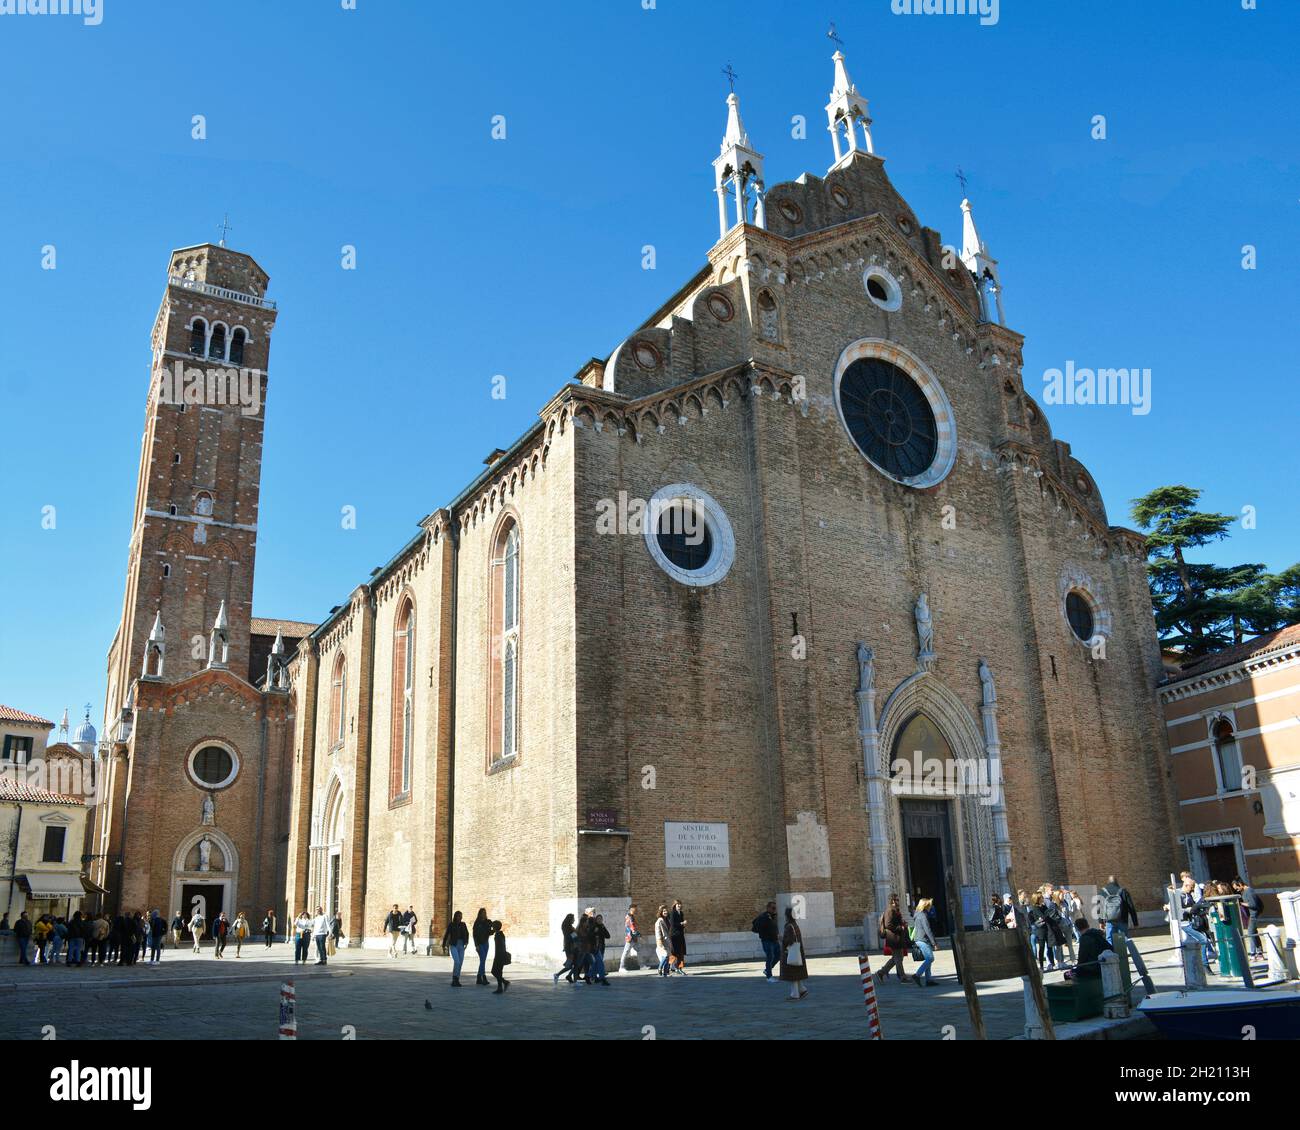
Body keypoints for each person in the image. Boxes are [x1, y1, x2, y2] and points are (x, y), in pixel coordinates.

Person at [874, 895, 912, 984]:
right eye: (896, 900)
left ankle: (881, 972)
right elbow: (888, 925)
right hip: (893, 938)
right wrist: (900, 927)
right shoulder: (890, 911)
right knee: (898, 958)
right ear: (892, 901)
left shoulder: (895, 910)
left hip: (897, 937)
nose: (897, 902)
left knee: (897, 958)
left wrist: (903, 924)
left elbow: (895, 922)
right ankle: (902, 977)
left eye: (898, 900)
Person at [1098, 875, 1139, 946]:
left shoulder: (1102, 891)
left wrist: (1101, 921)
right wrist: (1135, 922)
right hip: (1122, 919)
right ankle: (1122, 955)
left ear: (1108, 882)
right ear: (1117, 882)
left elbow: (1099, 908)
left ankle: (1112, 955)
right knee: (1122, 938)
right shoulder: (1123, 891)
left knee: (1109, 938)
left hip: (1109, 920)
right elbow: (1131, 907)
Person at [780, 906, 809, 1001]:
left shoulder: (788, 926)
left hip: (791, 953)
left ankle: (795, 994)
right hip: (797, 952)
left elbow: (790, 940)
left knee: (792, 974)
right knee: (796, 973)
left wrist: (781, 939)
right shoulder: (795, 925)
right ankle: (802, 989)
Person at [1232, 878, 1263, 959]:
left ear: (1240, 884)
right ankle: (1259, 953)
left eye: (1237, 888)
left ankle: (1253, 954)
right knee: (1254, 933)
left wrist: (1241, 903)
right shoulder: (1246, 891)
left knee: (1250, 932)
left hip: (1254, 914)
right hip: (1252, 915)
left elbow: (1253, 904)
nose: (1237, 890)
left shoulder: (1249, 891)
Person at [911, 897, 938, 987]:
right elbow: (927, 929)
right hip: (923, 940)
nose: (930, 907)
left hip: (919, 939)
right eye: (929, 905)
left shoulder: (918, 914)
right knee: (930, 958)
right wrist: (934, 943)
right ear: (925, 906)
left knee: (928, 959)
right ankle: (917, 975)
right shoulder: (922, 915)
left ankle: (928, 980)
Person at [752, 901, 782, 982]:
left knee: (779, 955)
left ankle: (767, 970)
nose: (774, 909)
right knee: (770, 957)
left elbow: (774, 927)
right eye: (773, 908)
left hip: (775, 940)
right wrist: (764, 934)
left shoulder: (773, 916)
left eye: (775, 908)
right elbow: (758, 927)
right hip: (767, 941)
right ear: (768, 908)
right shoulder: (764, 917)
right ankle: (769, 977)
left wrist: (778, 935)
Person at [442, 910, 468, 987]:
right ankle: (454, 979)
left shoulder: (463, 924)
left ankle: (457, 979)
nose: (460, 917)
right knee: (457, 962)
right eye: (458, 916)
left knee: (460, 963)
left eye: (461, 916)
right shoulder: (451, 924)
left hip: (461, 944)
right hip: (453, 944)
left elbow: (467, 933)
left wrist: (466, 942)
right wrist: (444, 945)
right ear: (455, 916)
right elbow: (447, 934)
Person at [552, 913, 578, 984]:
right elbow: (571, 938)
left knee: (575, 965)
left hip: (572, 948)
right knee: (569, 966)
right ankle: (557, 975)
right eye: (573, 919)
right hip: (570, 949)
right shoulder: (568, 928)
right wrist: (576, 935)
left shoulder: (569, 927)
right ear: (570, 919)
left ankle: (575, 981)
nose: (574, 920)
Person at [619, 904, 642, 973]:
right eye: (635, 908)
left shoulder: (631, 916)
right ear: (631, 909)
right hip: (630, 938)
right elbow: (632, 927)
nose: (636, 910)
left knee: (639, 950)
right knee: (625, 952)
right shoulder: (629, 917)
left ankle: (642, 965)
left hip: (633, 937)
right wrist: (638, 934)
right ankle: (621, 967)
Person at [472, 908, 492, 985]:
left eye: (485, 912)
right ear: (479, 914)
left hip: (486, 943)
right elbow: (474, 935)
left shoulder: (488, 922)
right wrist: (476, 945)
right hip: (479, 944)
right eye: (482, 913)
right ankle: (483, 977)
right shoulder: (477, 923)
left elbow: (490, 932)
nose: (484, 914)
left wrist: (493, 930)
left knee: (482, 961)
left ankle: (478, 978)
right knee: (483, 960)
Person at [590, 913, 611, 985]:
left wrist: (604, 927)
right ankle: (602, 978)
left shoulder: (602, 926)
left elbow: (608, 936)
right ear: (596, 920)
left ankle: (591, 976)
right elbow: (591, 936)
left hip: (602, 947)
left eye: (601, 919)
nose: (599, 920)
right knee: (600, 962)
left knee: (596, 963)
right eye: (598, 919)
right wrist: (594, 932)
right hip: (596, 948)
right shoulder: (594, 926)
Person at [669, 899, 688, 974]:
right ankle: (670, 966)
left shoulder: (681, 913)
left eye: (680, 904)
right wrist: (681, 923)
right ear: (675, 905)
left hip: (680, 935)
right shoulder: (672, 913)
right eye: (678, 904)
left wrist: (683, 925)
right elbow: (673, 924)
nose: (679, 905)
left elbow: (681, 924)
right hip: (674, 936)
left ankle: (680, 968)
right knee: (674, 952)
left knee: (681, 952)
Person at [490, 919, 510, 993]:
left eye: (493, 927)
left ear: (495, 927)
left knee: (494, 972)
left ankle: (504, 983)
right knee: (498, 972)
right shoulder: (500, 934)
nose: (492, 928)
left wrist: (498, 956)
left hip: (499, 956)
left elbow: (500, 947)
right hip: (501, 955)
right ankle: (500, 987)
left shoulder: (498, 935)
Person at [654, 904, 672, 977]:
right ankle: (659, 968)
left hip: (668, 940)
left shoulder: (667, 920)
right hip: (662, 941)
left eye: (666, 911)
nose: (665, 912)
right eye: (664, 911)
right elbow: (657, 931)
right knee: (666, 955)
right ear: (661, 912)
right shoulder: (659, 920)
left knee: (669, 957)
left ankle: (665, 972)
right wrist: (659, 940)